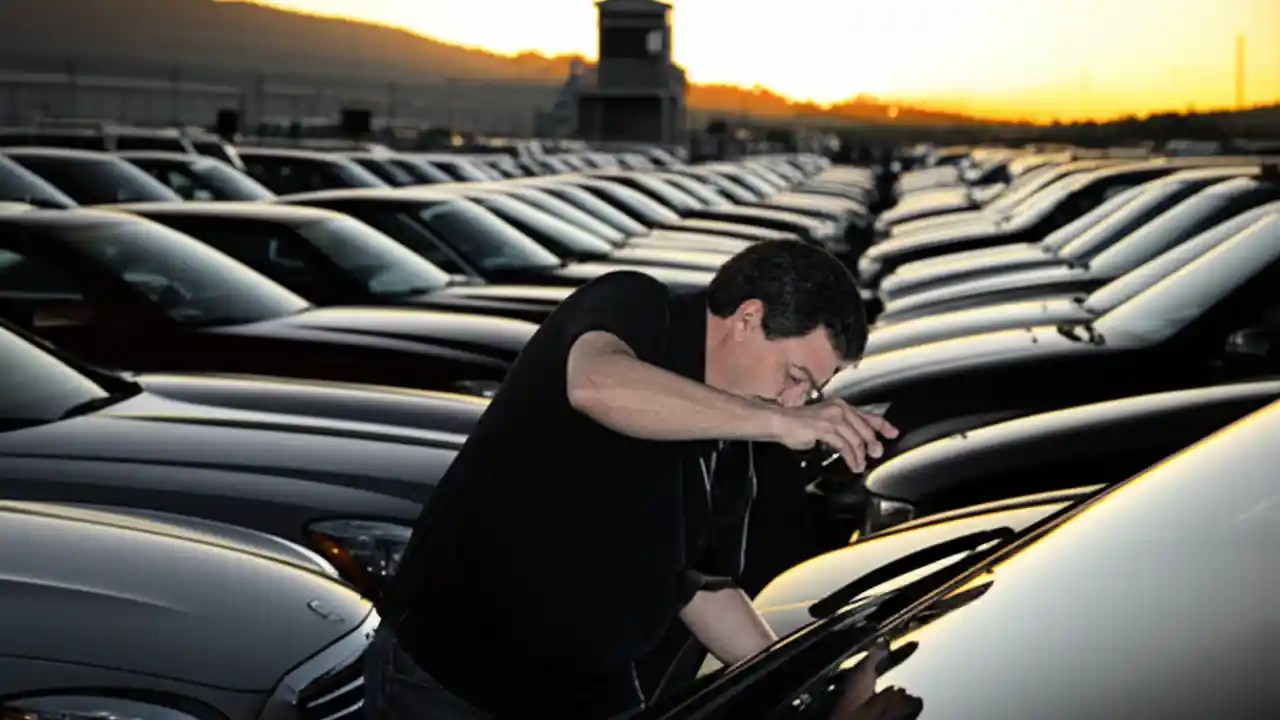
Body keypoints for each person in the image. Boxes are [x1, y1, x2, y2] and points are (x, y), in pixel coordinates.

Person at [367, 239, 899, 719]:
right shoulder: (637, 308)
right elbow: (595, 387)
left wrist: (815, 692)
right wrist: (782, 422)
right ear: (747, 317)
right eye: (795, 378)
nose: (791, 401)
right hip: (452, 683)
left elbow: (703, 589)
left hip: (593, 695)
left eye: (806, 395)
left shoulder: (735, 444)